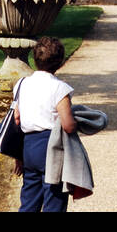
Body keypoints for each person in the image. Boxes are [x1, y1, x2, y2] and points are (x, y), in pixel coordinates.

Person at [14, 36, 76, 213]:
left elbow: (16, 119)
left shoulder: (21, 84)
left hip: (28, 146)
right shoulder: (60, 88)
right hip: (52, 146)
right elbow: (68, 125)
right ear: (60, 62)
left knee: (29, 200)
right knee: (54, 199)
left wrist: (18, 155)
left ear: (35, 59)